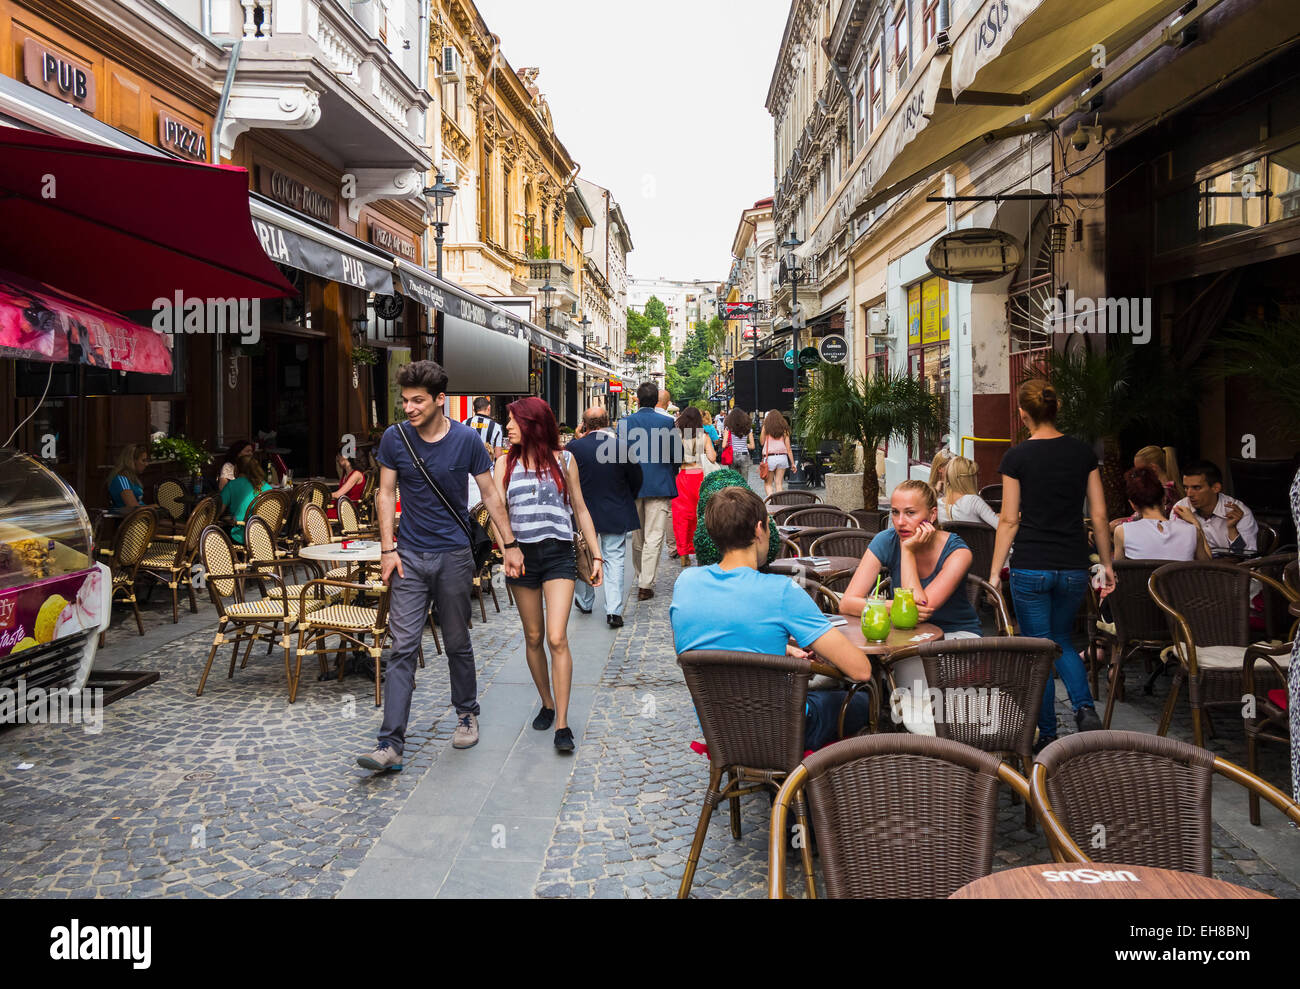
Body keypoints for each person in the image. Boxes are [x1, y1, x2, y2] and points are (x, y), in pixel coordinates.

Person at [359, 360, 524, 773]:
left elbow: (490, 496)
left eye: (418, 401)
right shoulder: (395, 439)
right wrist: (387, 549)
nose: (410, 408)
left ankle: (466, 712)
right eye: (405, 401)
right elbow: (384, 493)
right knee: (402, 647)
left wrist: (511, 545)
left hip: (453, 554)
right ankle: (390, 744)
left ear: (439, 400)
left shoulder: (468, 440)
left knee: (455, 641)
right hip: (409, 557)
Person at [670, 486, 874, 751]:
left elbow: (703, 645)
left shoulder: (685, 583)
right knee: (868, 700)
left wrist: (778, 648)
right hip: (781, 730)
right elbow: (861, 670)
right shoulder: (782, 592)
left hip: (719, 729)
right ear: (758, 529)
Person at [988, 379, 1113, 750]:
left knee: (1037, 648)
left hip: (1031, 565)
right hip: (1074, 565)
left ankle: (1048, 733)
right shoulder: (1082, 453)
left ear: (1023, 414)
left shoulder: (1016, 457)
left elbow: (1009, 520)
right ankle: (1085, 709)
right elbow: (1101, 514)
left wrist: (995, 572)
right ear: (1055, 409)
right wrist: (1106, 565)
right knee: (1061, 640)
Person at [496, 397, 603, 753]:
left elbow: (581, 508)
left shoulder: (564, 459)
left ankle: (562, 724)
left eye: (513, 420)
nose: (508, 426)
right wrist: (507, 549)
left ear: (532, 423)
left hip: (558, 554)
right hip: (521, 558)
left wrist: (597, 555)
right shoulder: (503, 464)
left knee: (557, 637)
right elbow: (497, 513)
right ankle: (546, 702)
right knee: (533, 636)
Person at [841, 480, 981, 732]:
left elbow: (917, 612)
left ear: (932, 514)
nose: (900, 521)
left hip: (956, 637)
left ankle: (936, 739)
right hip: (908, 639)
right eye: (895, 512)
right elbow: (847, 602)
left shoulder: (958, 551)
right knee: (911, 692)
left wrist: (907, 552)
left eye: (910, 513)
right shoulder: (886, 540)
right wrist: (895, 606)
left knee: (918, 698)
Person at [569, 407, 642, 628]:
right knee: (615, 559)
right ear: (608, 422)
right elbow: (636, 478)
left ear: (584, 424)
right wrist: (626, 496)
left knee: (583, 555)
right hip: (615, 508)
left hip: (583, 512)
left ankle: (585, 600)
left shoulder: (573, 448)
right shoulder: (622, 447)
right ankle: (614, 610)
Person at [621, 381, 683, 602]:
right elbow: (677, 454)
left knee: (637, 537)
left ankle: (641, 576)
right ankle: (645, 583)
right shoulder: (667, 423)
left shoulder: (625, 423)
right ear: (656, 400)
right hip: (659, 483)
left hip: (633, 486)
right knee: (655, 535)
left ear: (637, 400)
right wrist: (670, 471)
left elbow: (620, 458)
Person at [1114, 466, 1209, 561]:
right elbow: (1206, 567)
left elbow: (1119, 571)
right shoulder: (1192, 532)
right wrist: (1195, 524)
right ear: (1164, 498)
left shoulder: (1122, 532)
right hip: (1179, 576)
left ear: (1133, 505)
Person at [1171, 460, 1259, 555]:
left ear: (1216, 488)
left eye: (1196, 488)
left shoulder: (1237, 511)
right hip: (1195, 567)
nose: (1189, 494)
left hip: (1232, 567)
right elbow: (1176, 550)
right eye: (1186, 488)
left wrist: (1232, 530)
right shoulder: (1181, 508)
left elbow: (1248, 556)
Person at [671, 407, 718, 567]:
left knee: (681, 516)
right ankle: (699, 549)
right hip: (697, 477)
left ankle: (684, 552)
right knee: (699, 515)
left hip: (682, 477)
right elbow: (712, 457)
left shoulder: (678, 436)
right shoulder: (703, 437)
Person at [1109, 445, 1183, 532]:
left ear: (1153, 469)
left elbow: (1143, 518)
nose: (1137, 476)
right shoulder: (1170, 490)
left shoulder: (1165, 493)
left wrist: (1113, 525)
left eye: (1140, 472)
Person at [219, 454, 272, 545]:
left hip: (241, 536)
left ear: (236, 469)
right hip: (265, 536)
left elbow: (218, 511)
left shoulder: (232, 485)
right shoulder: (267, 487)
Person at [936, 456, 1000, 527]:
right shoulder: (974, 501)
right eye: (977, 475)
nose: (978, 479)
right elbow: (1002, 527)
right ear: (970, 479)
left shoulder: (938, 505)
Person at [328, 446, 368, 521]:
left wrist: (322, 495)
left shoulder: (356, 474)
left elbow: (337, 495)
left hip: (348, 511)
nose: (337, 459)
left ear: (345, 457)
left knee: (314, 512)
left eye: (339, 456)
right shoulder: (346, 473)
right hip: (342, 506)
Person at [760, 410, 795, 496]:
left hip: (770, 458)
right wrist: (793, 463)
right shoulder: (784, 429)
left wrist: (763, 428)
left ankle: (772, 504)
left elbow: (761, 442)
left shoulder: (766, 428)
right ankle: (779, 505)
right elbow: (788, 448)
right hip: (782, 458)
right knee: (779, 484)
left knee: (768, 484)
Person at [108, 444, 151, 510]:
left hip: (142, 515)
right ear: (132, 461)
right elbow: (133, 507)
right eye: (143, 460)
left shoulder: (132, 478)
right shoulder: (121, 479)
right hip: (132, 518)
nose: (146, 464)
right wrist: (152, 507)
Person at [723, 407, 756, 487]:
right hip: (744, 455)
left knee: (733, 482)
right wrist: (744, 444)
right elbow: (752, 446)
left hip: (733, 456)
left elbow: (723, 445)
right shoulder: (748, 429)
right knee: (744, 482)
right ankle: (743, 497)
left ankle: (735, 497)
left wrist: (730, 444)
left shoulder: (728, 428)